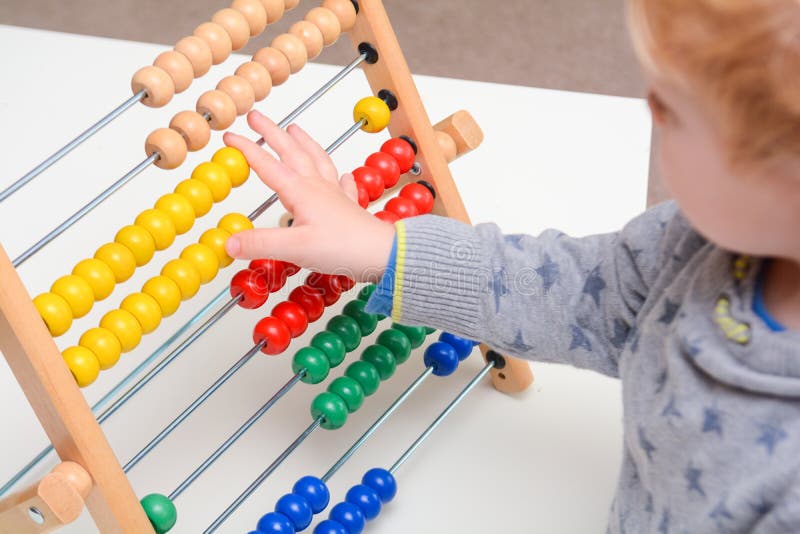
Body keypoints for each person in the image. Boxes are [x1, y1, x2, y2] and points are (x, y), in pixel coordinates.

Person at [223, 0, 800, 531]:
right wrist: (382, 249)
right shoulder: (692, 249)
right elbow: (570, 291)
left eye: (672, 108)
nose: (649, 105)